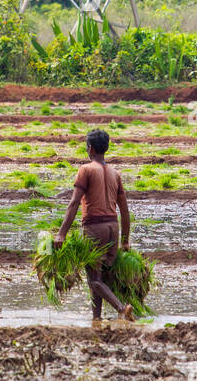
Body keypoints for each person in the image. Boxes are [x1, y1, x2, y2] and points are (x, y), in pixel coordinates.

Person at [54, 129, 136, 321]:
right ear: (105, 149)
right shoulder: (115, 174)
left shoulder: (86, 170)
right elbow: (124, 210)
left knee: (93, 280)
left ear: (90, 148)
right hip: (112, 228)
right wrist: (124, 240)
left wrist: (61, 234)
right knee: (99, 279)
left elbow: (74, 202)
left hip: (94, 228)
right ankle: (96, 319)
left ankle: (122, 309)